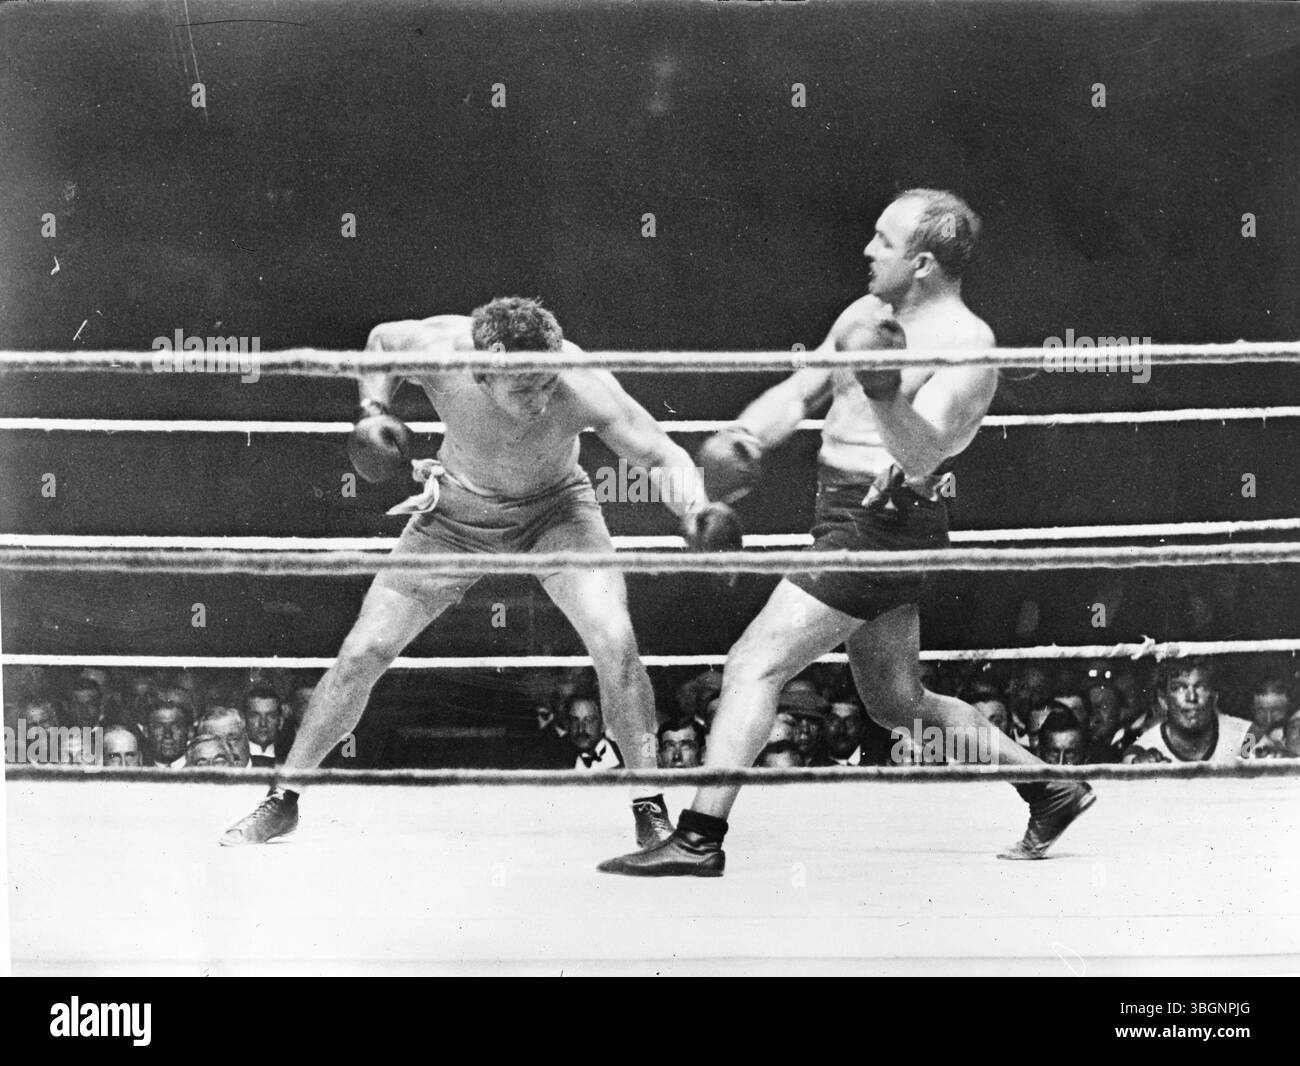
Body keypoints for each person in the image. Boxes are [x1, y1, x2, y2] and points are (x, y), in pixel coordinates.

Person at [600, 189, 1094, 877]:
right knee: (898, 702)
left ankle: (698, 837)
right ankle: (1050, 787)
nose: (867, 251)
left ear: (922, 262)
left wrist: (884, 391)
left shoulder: (968, 346)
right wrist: (747, 436)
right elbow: (803, 389)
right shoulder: (867, 314)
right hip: (841, 512)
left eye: (882, 242)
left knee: (753, 663)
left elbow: (924, 454)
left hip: (884, 521)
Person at [221, 296, 738, 846]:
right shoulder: (441, 351)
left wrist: (696, 509)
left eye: (546, 384)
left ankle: (649, 804)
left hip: (557, 513)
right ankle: (283, 798)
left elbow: (659, 451)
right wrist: (372, 410)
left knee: (615, 640)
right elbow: (379, 342)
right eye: (523, 389)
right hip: (455, 516)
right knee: (363, 651)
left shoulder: (580, 381)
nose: (541, 401)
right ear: (483, 371)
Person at [1125, 659, 1251, 763]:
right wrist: (1140, 765)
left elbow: (1258, 747)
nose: (1191, 697)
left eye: (1200, 687)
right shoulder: (1146, 748)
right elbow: (1130, 759)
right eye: (1179, 688)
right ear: (1163, 700)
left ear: (1214, 697)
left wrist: (1256, 755)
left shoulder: (1244, 735)